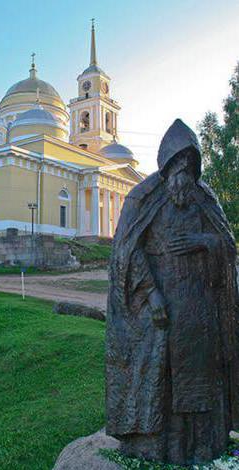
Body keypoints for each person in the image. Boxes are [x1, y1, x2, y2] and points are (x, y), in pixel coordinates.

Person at [106, 119, 239, 465]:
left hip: (199, 308)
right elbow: (126, 251)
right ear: (166, 166)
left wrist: (202, 241)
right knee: (161, 379)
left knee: (200, 380)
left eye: (190, 168)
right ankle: (156, 448)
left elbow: (226, 245)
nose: (184, 177)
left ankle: (203, 447)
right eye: (178, 167)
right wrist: (150, 294)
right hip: (162, 308)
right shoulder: (143, 196)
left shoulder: (204, 197)